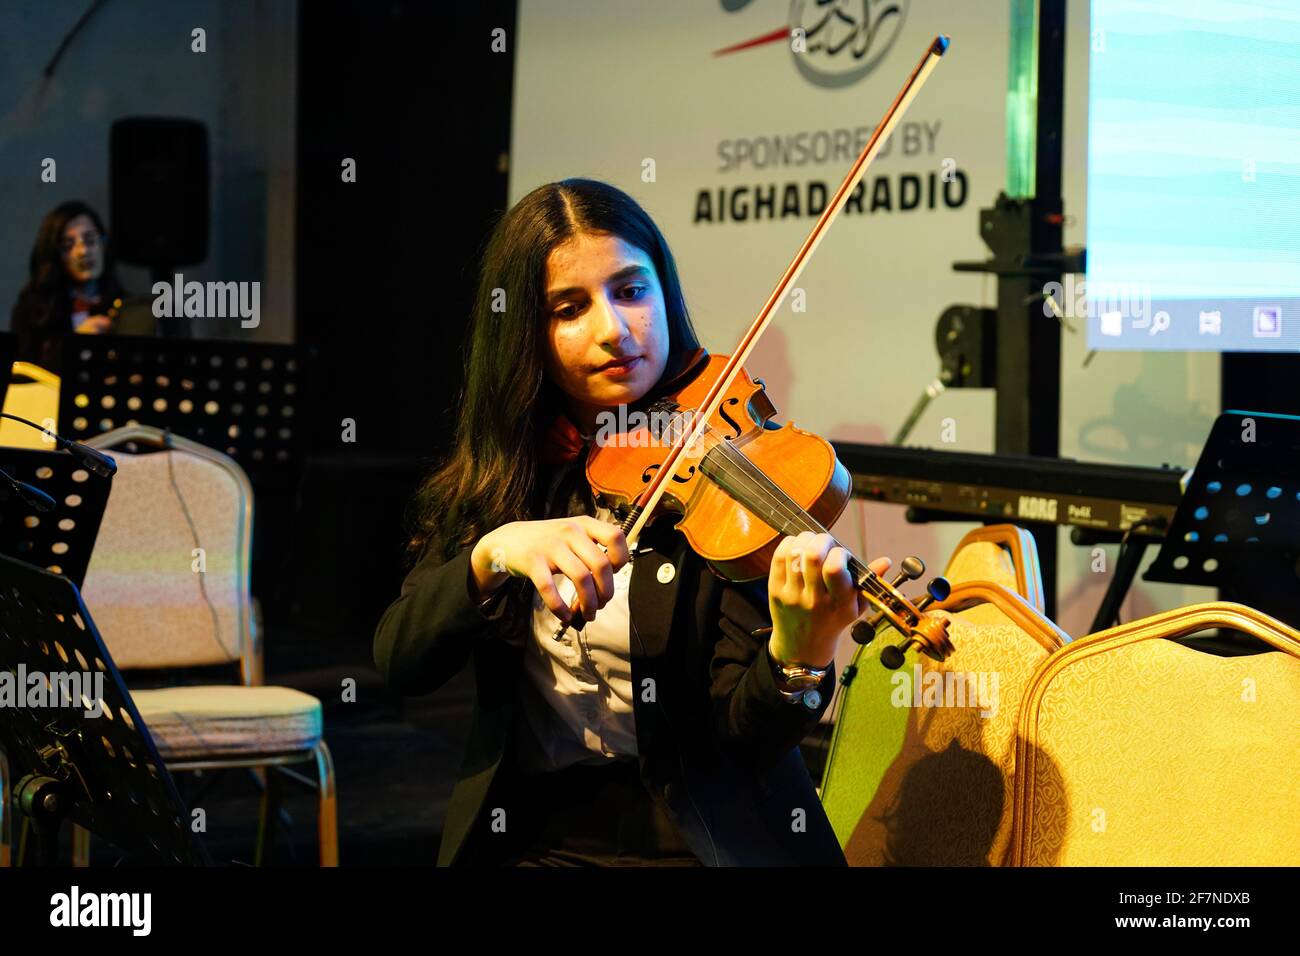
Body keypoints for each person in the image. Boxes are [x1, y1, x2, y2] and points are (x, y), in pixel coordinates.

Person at [373, 178, 889, 866]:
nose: (613, 330)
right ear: (526, 330)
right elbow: (400, 660)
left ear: (664, 293)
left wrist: (798, 656)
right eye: (569, 307)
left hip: (701, 845)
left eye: (631, 291)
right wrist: (493, 553)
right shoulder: (509, 478)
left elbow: (740, 745)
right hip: (538, 838)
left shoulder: (727, 476)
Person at [9, 201, 154, 374]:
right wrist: (74, 344)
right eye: (69, 244)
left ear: (103, 245)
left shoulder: (127, 307)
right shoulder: (33, 309)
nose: (83, 251)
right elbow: (23, 374)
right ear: (55, 254)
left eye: (90, 239)